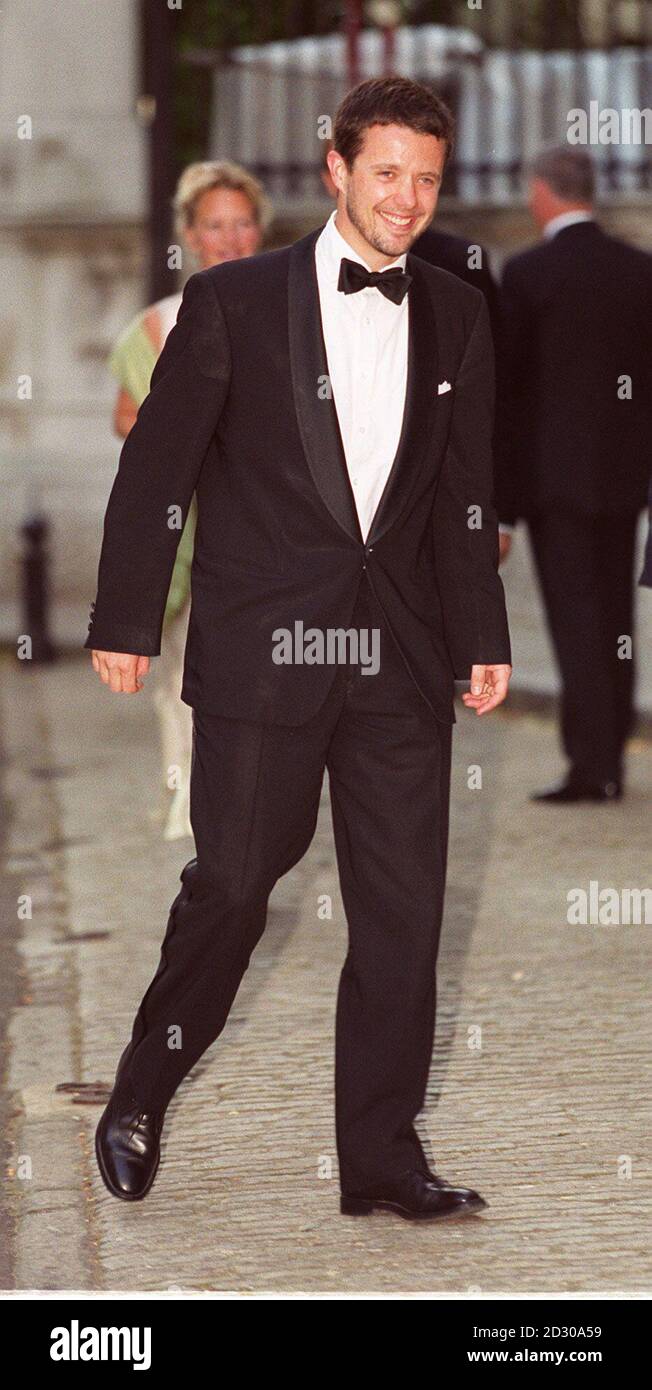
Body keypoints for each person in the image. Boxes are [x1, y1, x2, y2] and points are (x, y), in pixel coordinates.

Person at [85, 76, 511, 1221]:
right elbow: (158, 470)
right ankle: (140, 1087)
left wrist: (481, 634)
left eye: (426, 176)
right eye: (386, 173)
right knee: (232, 883)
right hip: (264, 650)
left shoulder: (461, 313)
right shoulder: (231, 302)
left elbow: (465, 497)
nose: (408, 198)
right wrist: (126, 618)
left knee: (403, 913)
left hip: (400, 662)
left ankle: (378, 1157)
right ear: (334, 168)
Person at [108, 161, 270, 838]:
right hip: (192, 531)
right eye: (214, 225)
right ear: (190, 235)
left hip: (272, 528)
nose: (230, 238)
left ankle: (245, 797)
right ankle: (189, 798)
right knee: (183, 667)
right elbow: (126, 419)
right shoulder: (156, 327)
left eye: (242, 223)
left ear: (260, 231)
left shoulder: (296, 311)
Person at [497, 146, 652, 803]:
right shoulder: (639, 269)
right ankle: (609, 754)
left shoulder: (529, 274)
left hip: (553, 481)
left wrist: (499, 505)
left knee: (575, 620)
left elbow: (507, 391)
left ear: (544, 192)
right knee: (615, 618)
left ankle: (591, 767)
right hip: (623, 479)